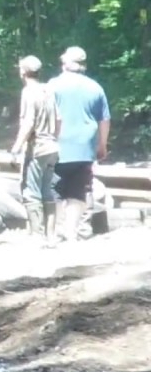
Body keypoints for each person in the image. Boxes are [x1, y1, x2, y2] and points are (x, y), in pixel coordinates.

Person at [48, 46, 111, 243]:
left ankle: (57, 230)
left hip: (57, 146)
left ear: (66, 63)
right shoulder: (95, 88)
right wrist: (102, 145)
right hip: (84, 148)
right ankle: (72, 232)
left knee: (54, 189)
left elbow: (44, 115)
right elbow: (104, 121)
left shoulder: (52, 85)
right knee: (78, 191)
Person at [9, 55, 59, 242]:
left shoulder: (28, 92)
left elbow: (28, 123)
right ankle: (51, 235)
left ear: (23, 71)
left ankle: (37, 236)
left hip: (37, 147)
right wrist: (55, 138)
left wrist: (16, 148)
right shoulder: (48, 90)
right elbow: (59, 119)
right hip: (52, 146)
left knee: (31, 192)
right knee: (47, 190)